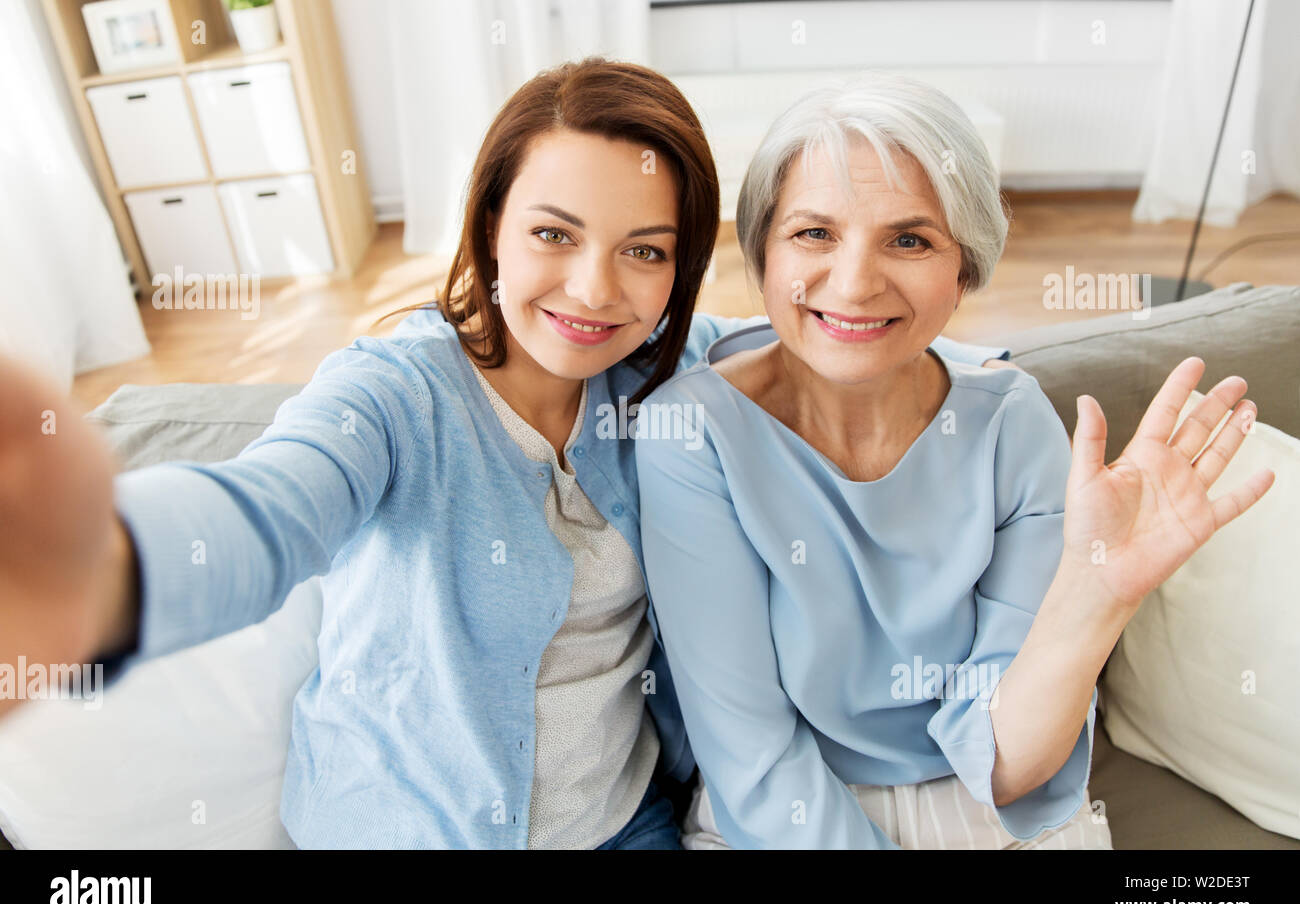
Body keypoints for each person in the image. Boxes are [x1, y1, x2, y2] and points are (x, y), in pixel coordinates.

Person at [0, 59, 1009, 850]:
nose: (593, 290)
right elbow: (263, 514)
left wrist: (990, 377)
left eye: (644, 251)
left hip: (628, 827)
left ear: (683, 268)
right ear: (489, 227)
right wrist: (98, 566)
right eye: (553, 234)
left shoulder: (673, 374)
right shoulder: (395, 393)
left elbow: (825, 331)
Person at [634, 73, 1275, 850]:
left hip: (986, 811)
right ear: (761, 251)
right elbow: (755, 762)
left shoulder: (1010, 420)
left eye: (909, 239)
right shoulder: (691, 435)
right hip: (785, 818)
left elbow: (1007, 765)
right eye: (813, 233)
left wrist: (1098, 593)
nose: (856, 282)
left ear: (966, 266)